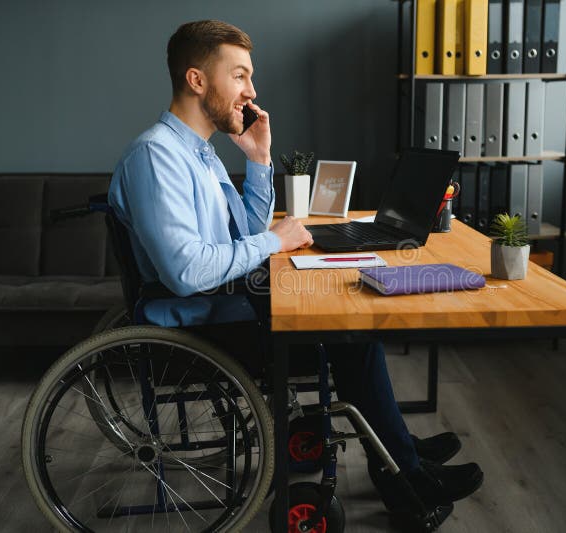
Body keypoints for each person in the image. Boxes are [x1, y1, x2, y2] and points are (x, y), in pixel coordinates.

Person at [108, 19, 483, 522]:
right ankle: (404, 475)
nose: (252, 90)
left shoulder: (200, 154)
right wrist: (276, 240)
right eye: (239, 76)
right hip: (204, 322)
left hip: (228, 303)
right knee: (352, 333)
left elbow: (244, 234)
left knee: (354, 326)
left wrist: (259, 160)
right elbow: (186, 271)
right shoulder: (158, 156)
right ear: (198, 81)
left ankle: (399, 456)